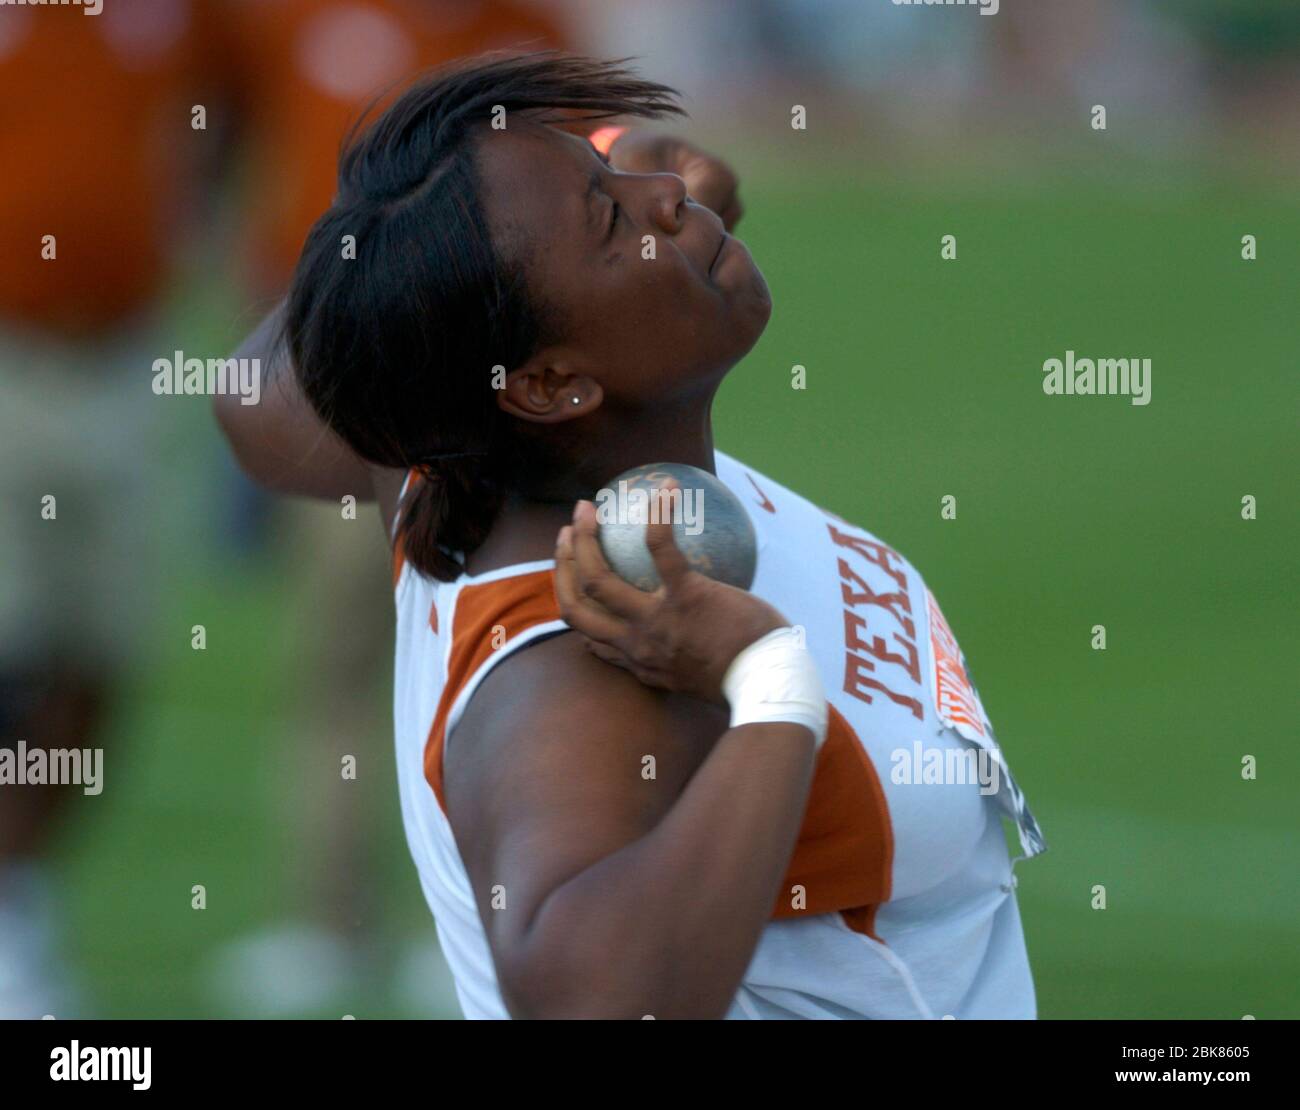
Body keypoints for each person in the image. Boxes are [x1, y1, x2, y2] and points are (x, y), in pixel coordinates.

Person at [217, 52, 1044, 1020]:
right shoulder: (592, 654)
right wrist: (771, 682)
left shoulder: (443, 465)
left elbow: (253, 390)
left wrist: (465, 254)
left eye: (608, 168)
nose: (667, 191)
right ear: (548, 384)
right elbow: (586, 1002)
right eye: (611, 215)